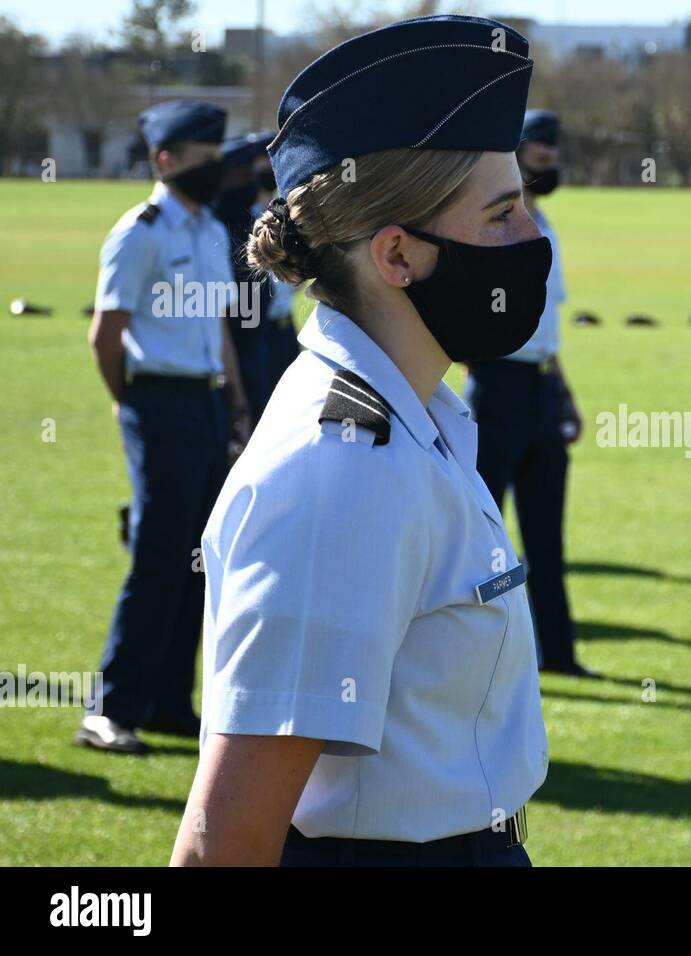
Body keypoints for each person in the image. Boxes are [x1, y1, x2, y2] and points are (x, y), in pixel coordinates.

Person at [170, 14, 549, 867]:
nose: (535, 241)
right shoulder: (343, 471)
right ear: (397, 255)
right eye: (502, 214)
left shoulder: (416, 416)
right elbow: (223, 843)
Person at [80, 100, 251, 755]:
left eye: (217, 158)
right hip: (158, 402)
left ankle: (169, 701)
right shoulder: (140, 230)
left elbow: (220, 332)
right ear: (165, 160)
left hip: (206, 404)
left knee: (199, 559)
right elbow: (107, 333)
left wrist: (236, 404)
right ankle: (110, 708)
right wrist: (133, 404)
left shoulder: (209, 230)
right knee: (157, 556)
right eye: (203, 160)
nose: (214, 170)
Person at [463, 108, 590, 677]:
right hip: (497, 384)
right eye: (542, 153)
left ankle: (559, 656)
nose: (552, 162)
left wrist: (563, 391)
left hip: (540, 387)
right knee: (485, 536)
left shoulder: (549, 230)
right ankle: (481, 654)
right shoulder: (487, 225)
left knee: (547, 533)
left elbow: (548, 327)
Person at [214, 130, 279, 425]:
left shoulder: (248, 218)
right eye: (244, 173)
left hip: (261, 338)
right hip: (237, 344)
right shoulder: (216, 228)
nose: (252, 180)